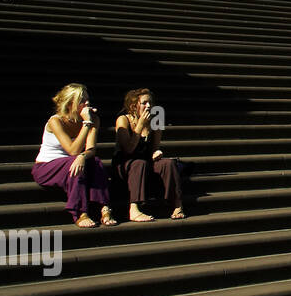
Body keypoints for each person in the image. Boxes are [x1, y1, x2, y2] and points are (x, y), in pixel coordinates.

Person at [32, 84, 115, 227]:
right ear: (71, 104)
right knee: (74, 162)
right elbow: (73, 150)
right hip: (46, 167)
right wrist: (86, 123)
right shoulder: (56, 121)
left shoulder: (94, 119)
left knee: (95, 162)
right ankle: (80, 213)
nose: (87, 103)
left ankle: (104, 207)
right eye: (82, 100)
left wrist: (83, 156)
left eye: (88, 99)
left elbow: (90, 149)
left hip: (73, 161)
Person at [113, 88, 185, 221]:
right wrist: (140, 125)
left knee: (168, 163)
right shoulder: (123, 120)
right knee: (139, 163)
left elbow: (154, 148)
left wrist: (156, 153)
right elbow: (128, 149)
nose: (149, 106)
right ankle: (134, 209)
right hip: (126, 163)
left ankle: (177, 205)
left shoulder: (155, 121)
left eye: (150, 103)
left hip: (146, 161)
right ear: (133, 106)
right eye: (144, 103)